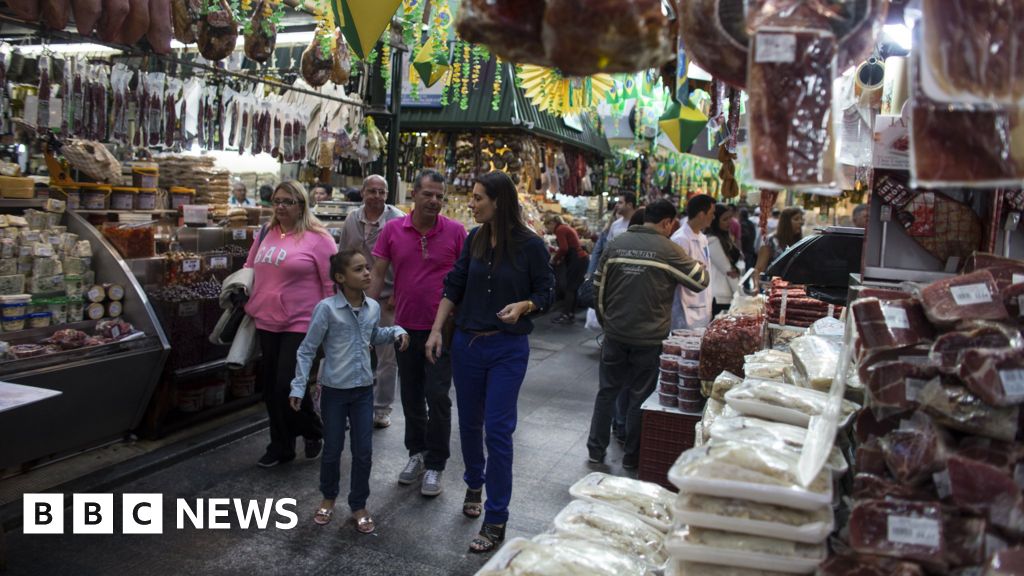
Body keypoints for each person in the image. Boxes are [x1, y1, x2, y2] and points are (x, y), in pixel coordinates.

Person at [426, 171, 554, 554]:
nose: (472, 203)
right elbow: (455, 285)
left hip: (507, 349)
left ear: (499, 201)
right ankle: (474, 482)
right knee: (469, 424)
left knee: (497, 430)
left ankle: (496, 517)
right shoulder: (475, 239)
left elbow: (547, 290)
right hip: (467, 345)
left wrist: (526, 305)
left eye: (479, 198)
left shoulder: (530, 245)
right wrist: (436, 330)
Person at [289, 249, 410, 534]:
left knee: (364, 452)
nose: (367, 273)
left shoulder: (372, 308)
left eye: (367, 268)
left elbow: (374, 335)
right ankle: (328, 498)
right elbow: (307, 350)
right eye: (359, 269)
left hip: (363, 391)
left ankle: (358, 504)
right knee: (332, 450)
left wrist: (396, 332)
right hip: (334, 391)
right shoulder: (326, 309)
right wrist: (298, 385)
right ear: (341, 278)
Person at [587, 200, 709, 468]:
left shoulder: (616, 244)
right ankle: (632, 457)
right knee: (639, 396)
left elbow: (598, 288)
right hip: (649, 337)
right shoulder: (669, 250)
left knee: (607, 391)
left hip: (615, 333)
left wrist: (608, 322)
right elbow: (700, 281)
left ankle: (595, 449)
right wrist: (701, 266)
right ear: (666, 222)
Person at [370, 169, 466, 497]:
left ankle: (436, 463)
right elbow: (377, 275)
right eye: (429, 194)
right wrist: (363, 317)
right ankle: (417, 454)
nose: (435, 201)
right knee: (410, 394)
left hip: (443, 330)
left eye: (440, 196)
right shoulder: (393, 231)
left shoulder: (456, 232)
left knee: (437, 395)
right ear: (414, 194)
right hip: (404, 328)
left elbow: (465, 280)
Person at [244, 181, 336, 468]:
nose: (281, 206)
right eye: (277, 201)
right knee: (271, 388)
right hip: (266, 320)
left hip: (303, 323)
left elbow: (331, 283)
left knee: (286, 384)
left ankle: (312, 430)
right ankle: (281, 446)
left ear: (302, 205)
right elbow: (249, 267)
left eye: (288, 201)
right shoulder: (265, 233)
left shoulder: (319, 238)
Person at [339, 175, 406, 428]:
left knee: (387, 357)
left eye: (382, 192)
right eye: (372, 191)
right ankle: (348, 408)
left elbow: (405, 262)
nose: (377, 196)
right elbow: (343, 256)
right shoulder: (352, 220)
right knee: (351, 352)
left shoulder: (398, 220)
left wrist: (397, 293)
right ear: (362, 192)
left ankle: (381, 408)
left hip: (387, 297)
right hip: (357, 298)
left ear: (387, 195)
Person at [671, 194, 716, 330]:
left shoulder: (702, 237)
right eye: (712, 213)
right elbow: (677, 274)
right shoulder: (681, 239)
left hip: (702, 303)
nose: (713, 217)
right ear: (701, 214)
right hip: (686, 308)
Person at [545, 215, 589, 325]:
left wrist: (555, 259)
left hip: (577, 259)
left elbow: (564, 248)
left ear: (552, 223)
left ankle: (566, 315)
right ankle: (570, 314)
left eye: (547, 226)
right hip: (581, 258)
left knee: (570, 288)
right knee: (573, 288)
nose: (548, 229)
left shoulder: (560, 229)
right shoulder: (565, 227)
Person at [707, 204, 745, 317]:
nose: (729, 222)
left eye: (730, 218)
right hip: (720, 295)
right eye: (724, 219)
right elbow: (728, 271)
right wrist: (740, 296)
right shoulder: (713, 240)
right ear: (715, 221)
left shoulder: (726, 238)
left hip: (727, 294)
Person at [754, 207, 805, 279]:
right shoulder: (770, 240)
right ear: (785, 222)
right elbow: (759, 269)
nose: (801, 222)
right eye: (796, 219)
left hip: (796, 288)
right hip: (772, 287)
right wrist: (756, 287)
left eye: (801, 219)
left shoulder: (801, 242)